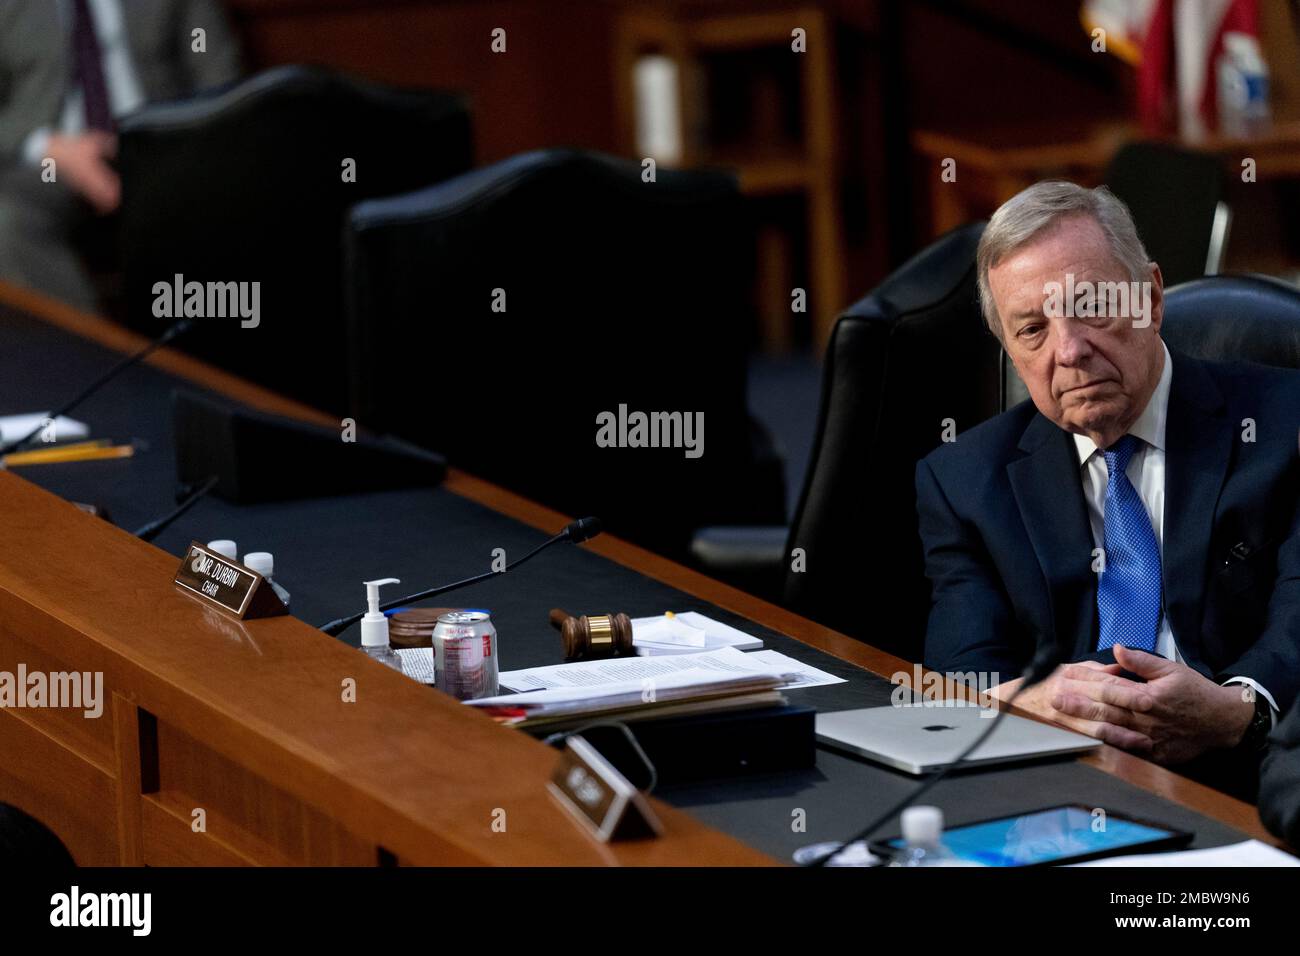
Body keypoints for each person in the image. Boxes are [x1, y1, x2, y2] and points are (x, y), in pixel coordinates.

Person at [916, 180, 1300, 798]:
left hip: (1255, 784)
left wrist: (1239, 711)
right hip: (1058, 791)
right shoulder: (964, 481)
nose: (1070, 350)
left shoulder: (1286, 428)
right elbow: (964, 675)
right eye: (1033, 329)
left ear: (1149, 297)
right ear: (1010, 352)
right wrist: (1040, 701)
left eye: (1091, 304)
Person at [0, 0, 241, 310]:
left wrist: (172, 151)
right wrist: (46, 145)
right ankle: (89, 352)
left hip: (162, 152)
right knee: (5, 219)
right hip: (47, 162)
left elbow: (225, 88)